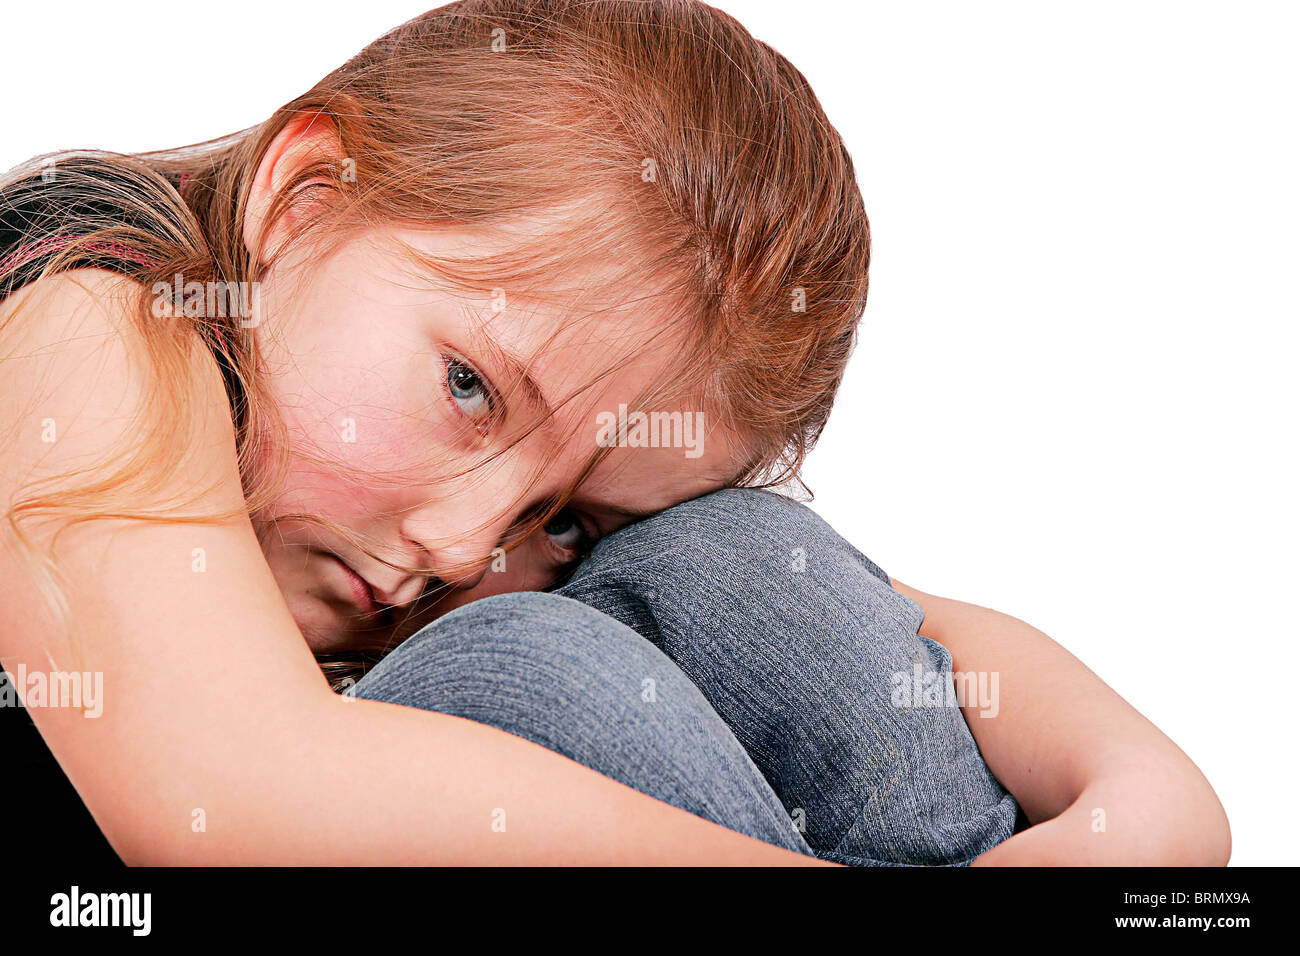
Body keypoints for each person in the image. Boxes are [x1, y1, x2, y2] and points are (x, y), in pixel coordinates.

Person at [0, 0, 1229, 865]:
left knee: (736, 560)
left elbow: (904, 619)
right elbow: (233, 792)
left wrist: (1149, 795)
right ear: (302, 199)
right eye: (471, 388)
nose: (467, 537)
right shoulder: (87, 316)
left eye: (566, 517)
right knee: (545, 655)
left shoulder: (466, 521)